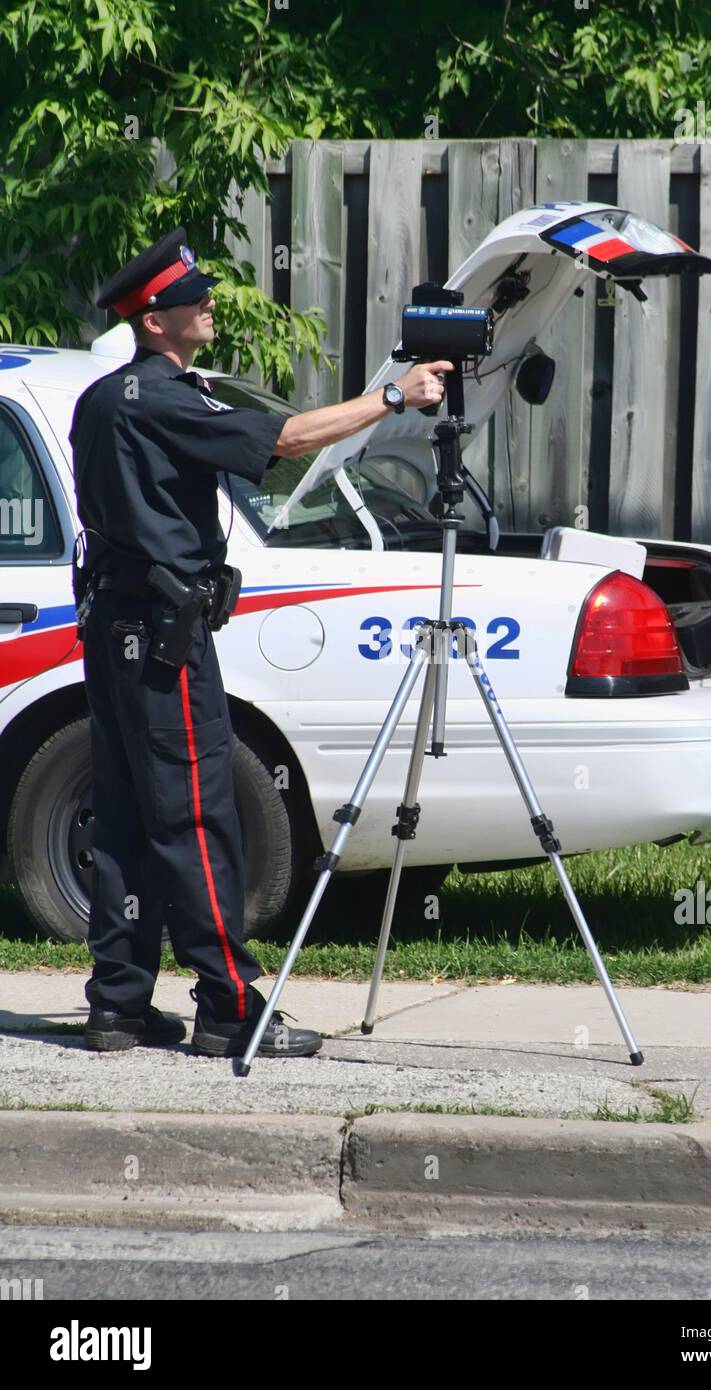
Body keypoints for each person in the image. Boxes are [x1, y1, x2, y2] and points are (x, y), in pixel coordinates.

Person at [70, 224, 451, 1057]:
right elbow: (285, 442)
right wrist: (394, 396)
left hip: (112, 629)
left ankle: (118, 1004)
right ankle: (231, 1008)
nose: (206, 303)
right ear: (153, 320)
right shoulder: (170, 399)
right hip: (166, 641)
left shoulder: (100, 400)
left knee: (127, 819)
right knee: (198, 821)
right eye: (187, 299)